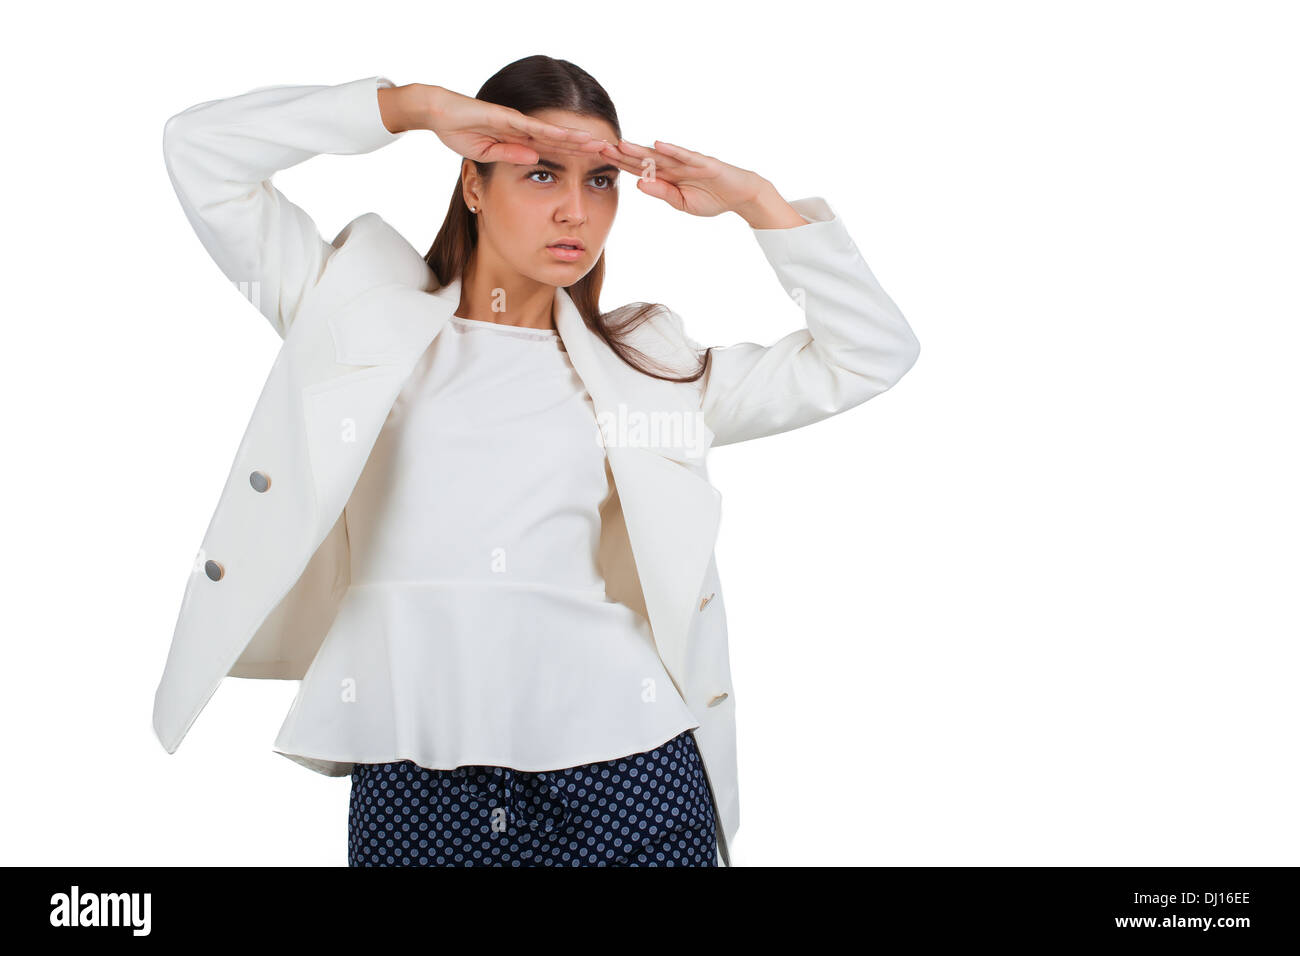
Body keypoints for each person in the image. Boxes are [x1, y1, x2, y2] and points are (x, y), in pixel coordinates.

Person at [155, 54, 921, 867]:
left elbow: (870, 353)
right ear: (473, 184)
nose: (575, 212)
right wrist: (410, 108)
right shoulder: (355, 316)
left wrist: (757, 203)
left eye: (600, 182)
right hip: (414, 776)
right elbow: (200, 152)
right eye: (542, 173)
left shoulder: (647, 370)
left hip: (630, 772)